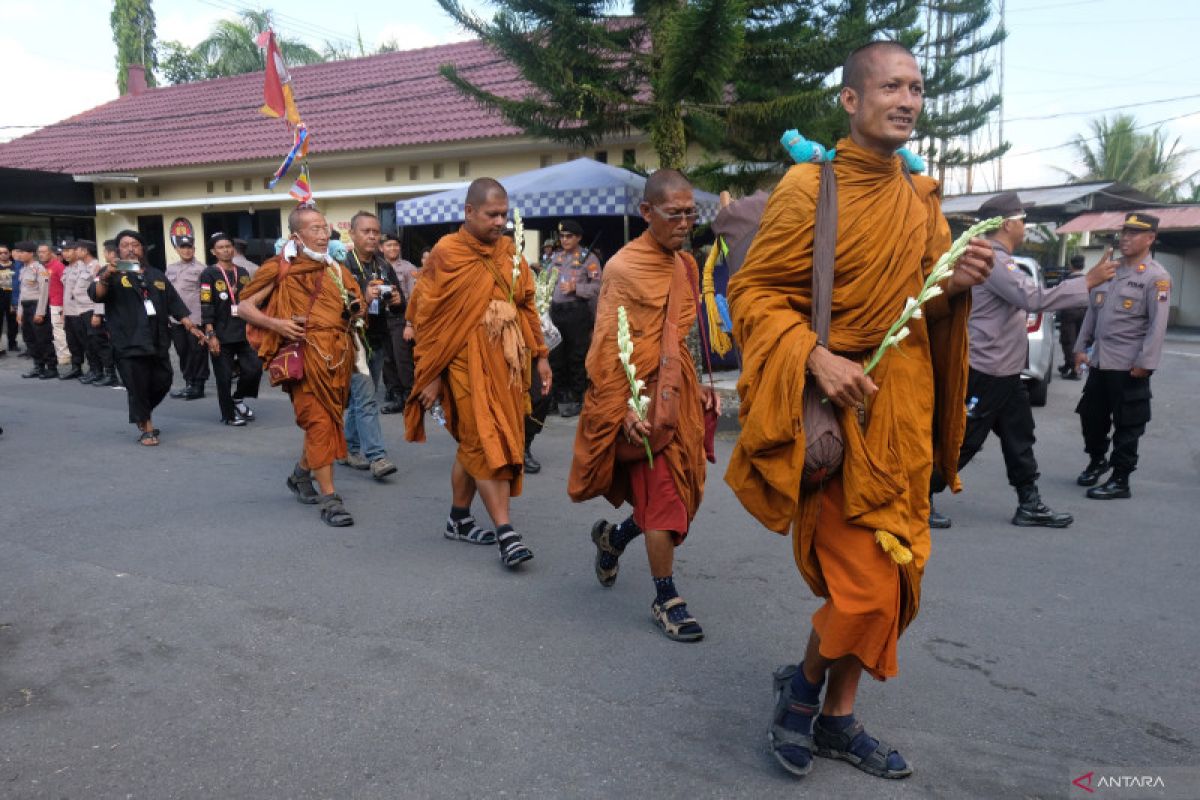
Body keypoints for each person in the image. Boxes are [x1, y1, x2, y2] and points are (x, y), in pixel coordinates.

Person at [725, 41, 994, 781]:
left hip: (899, 417)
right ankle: (801, 694)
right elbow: (752, 294)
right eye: (891, 87)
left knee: (894, 580)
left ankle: (837, 718)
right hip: (840, 416)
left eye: (916, 88)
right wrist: (815, 356)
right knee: (866, 585)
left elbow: (918, 307)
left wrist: (954, 283)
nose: (907, 100)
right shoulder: (811, 187)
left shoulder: (920, 199)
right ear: (850, 99)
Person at [569, 169, 720, 641]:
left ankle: (613, 539)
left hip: (678, 392)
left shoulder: (685, 265)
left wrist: (696, 384)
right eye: (673, 214)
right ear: (646, 213)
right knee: (666, 498)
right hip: (640, 396)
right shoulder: (622, 268)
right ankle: (665, 596)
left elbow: (681, 335)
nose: (683, 223)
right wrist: (625, 410)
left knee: (677, 493)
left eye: (690, 214)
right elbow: (609, 347)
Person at [927, 192, 1113, 529]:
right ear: (1009, 223)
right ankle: (917, 497)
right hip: (987, 368)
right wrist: (1087, 281)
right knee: (963, 438)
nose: (1025, 227)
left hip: (1006, 370)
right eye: (1023, 221)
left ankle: (1029, 502)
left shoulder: (1001, 259)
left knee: (1019, 437)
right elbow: (1033, 298)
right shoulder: (993, 260)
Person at [405, 177, 552, 568]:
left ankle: (458, 519)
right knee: (486, 442)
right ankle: (507, 533)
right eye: (492, 214)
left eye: (504, 214)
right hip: (461, 362)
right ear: (469, 212)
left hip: (507, 364)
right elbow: (427, 316)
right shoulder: (447, 253)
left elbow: (527, 306)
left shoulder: (510, 252)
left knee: (478, 440)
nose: (500, 222)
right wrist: (431, 374)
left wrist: (540, 355)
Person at [237, 206, 367, 526]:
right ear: (297, 236)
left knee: (328, 423)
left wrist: (357, 307)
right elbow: (244, 307)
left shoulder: (336, 269)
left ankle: (300, 475)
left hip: (337, 358)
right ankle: (330, 498)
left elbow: (356, 305)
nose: (323, 235)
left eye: (325, 229)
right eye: (315, 229)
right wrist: (277, 324)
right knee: (319, 424)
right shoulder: (281, 269)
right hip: (304, 357)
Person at [1073, 212, 1171, 500]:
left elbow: (1158, 325)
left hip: (1129, 366)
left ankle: (1120, 479)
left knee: (1128, 424)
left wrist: (1146, 363)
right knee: (1091, 418)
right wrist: (1080, 348)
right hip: (1100, 362)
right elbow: (1092, 313)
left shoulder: (1156, 277)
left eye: (1134, 233)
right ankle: (1096, 461)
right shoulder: (1109, 271)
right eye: (1124, 232)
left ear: (1150, 238)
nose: (1125, 238)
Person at [88, 229, 208, 445]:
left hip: (158, 340)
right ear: (118, 250)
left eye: (135, 244)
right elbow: (97, 294)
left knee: (164, 380)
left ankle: (140, 412)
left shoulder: (156, 275)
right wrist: (106, 276)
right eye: (125, 245)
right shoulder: (109, 273)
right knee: (137, 385)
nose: (131, 248)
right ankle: (147, 427)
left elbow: (174, 303)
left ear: (142, 249)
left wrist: (191, 326)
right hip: (128, 340)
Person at [337, 212, 399, 479]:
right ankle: (377, 456)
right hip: (354, 340)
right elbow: (337, 308)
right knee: (366, 399)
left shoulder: (384, 266)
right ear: (352, 234)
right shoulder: (341, 267)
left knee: (361, 399)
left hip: (378, 337)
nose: (373, 236)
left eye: (376, 232)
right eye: (366, 231)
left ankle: (349, 449)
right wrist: (364, 294)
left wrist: (395, 299)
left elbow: (400, 301)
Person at [200, 232, 263, 426]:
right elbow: (206, 304)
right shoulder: (209, 274)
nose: (226, 250)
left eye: (228, 246)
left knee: (255, 369)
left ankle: (238, 398)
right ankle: (228, 414)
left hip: (243, 331)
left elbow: (250, 299)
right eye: (220, 247)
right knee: (224, 377)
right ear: (213, 251)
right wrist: (210, 334)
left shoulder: (242, 272)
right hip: (221, 333)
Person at [547, 220, 602, 417]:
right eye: (562, 236)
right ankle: (555, 398)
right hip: (556, 313)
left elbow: (597, 287)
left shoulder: (589, 259)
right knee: (555, 357)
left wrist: (576, 289)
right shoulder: (556, 258)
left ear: (578, 237)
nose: (564, 240)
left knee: (577, 358)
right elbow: (546, 283)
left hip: (577, 313)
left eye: (569, 236)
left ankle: (579, 399)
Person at [165, 235, 211, 400]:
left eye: (189, 247)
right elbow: (166, 294)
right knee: (182, 351)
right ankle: (189, 383)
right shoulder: (170, 269)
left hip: (195, 318)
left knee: (197, 352)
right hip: (176, 319)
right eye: (183, 247)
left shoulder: (202, 269)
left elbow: (207, 296)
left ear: (194, 249)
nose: (186, 250)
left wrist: (206, 321)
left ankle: (198, 385)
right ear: (177, 249)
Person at [379, 233, 418, 414]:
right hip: (381, 319)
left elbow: (414, 298)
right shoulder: (376, 267)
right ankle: (396, 396)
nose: (392, 248)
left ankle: (410, 397)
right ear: (381, 248)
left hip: (401, 319)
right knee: (387, 360)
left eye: (395, 245)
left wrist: (410, 324)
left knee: (403, 360)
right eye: (388, 245)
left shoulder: (408, 267)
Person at [62, 240, 101, 382]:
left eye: (75, 249)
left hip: (86, 309)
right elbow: (70, 291)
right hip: (73, 309)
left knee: (89, 342)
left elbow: (98, 292)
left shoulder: (94, 266)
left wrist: (98, 312)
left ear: (84, 251)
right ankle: (77, 367)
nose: (71, 252)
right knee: (73, 341)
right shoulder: (74, 267)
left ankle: (96, 369)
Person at [15, 242, 54, 379]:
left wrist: (40, 312)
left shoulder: (39, 268)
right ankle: (38, 366)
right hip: (26, 306)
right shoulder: (22, 269)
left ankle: (51, 367)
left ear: (31, 253)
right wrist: (19, 312)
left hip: (36, 306)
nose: (19, 254)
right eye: (19, 252)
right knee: (29, 338)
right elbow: (22, 292)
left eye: (22, 252)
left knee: (43, 338)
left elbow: (44, 292)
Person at [87, 240, 120, 387]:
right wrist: (98, 313)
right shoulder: (104, 271)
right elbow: (98, 294)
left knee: (111, 346)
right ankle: (110, 373)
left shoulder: (128, 268)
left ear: (110, 253)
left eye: (106, 252)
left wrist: (97, 314)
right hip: (107, 314)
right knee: (105, 345)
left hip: (116, 315)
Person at [1057, 255, 1088, 379]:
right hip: (1084, 311)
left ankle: (1074, 369)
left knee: (1068, 340)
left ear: (1071, 265)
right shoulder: (1087, 279)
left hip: (1069, 312)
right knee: (1079, 340)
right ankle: (1068, 365)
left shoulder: (1066, 280)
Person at [0, 244, 16, 354]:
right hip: (0, 298)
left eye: (5, 252)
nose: (3, 255)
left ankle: (12, 344)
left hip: (12, 298)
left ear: (9, 253)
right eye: (0, 253)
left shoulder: (15, 266)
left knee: (13, 323)